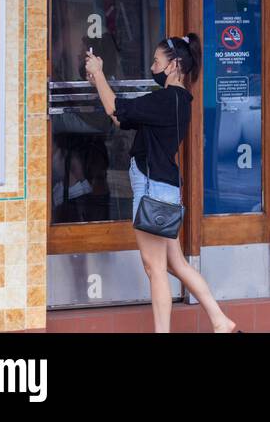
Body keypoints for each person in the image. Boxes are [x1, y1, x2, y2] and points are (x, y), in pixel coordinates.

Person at [85, 34, 239, 333]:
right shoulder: (179, 101)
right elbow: (121, 118)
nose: (153, 66)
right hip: (163, 188)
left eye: (157, 61)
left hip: (153, 189)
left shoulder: (166, 99)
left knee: (154, 268)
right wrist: (98, 83)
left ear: (175, 65)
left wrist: (101, 73)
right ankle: (221, 321)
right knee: (175, 264)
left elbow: (116, 109)